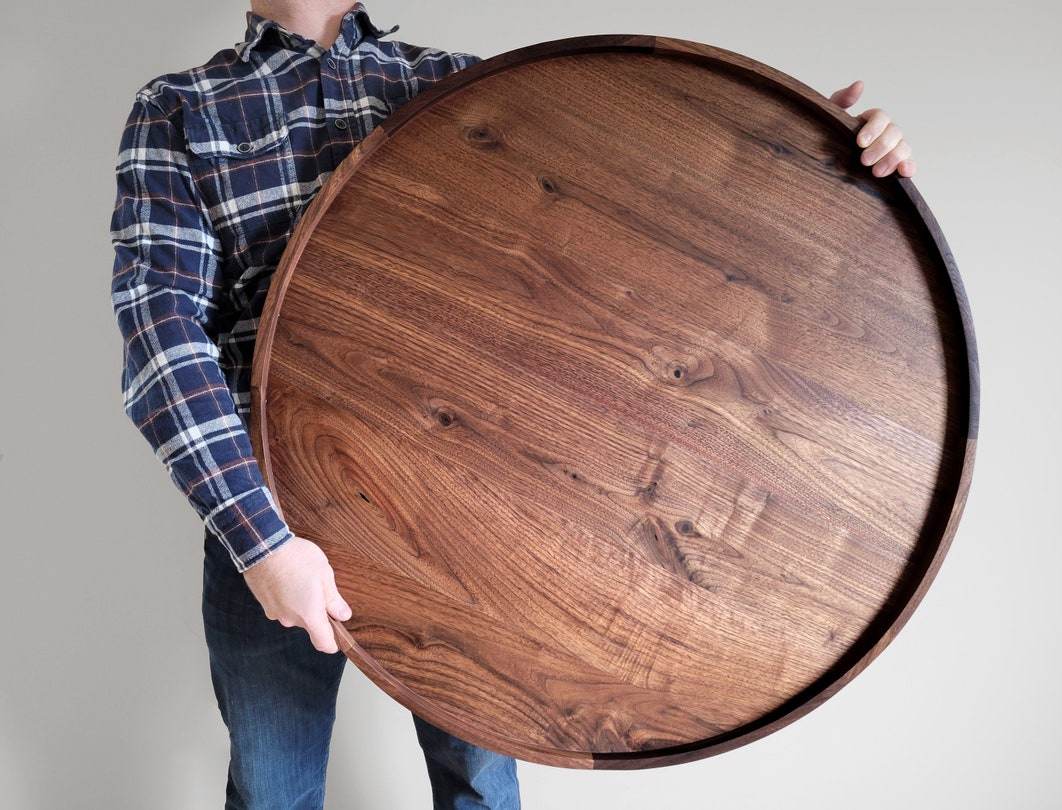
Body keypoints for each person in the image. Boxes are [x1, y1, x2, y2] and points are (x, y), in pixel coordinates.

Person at [110, 2, 916, 807]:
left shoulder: (460, 84)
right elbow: (162, 341)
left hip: (474, 525)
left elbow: (648, 225)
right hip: (270, 517)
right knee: (271, 793)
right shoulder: (181, 109)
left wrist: (811, 160)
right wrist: (264, 546)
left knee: (481, 791)